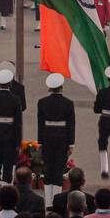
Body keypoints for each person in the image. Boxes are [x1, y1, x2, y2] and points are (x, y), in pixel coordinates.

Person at [36, 73, 75, 206]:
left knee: (48, 169)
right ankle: (56, 200)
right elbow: (71, 125)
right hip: (62, 138)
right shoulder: (68, 103)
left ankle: (48, 202)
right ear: (61, 87)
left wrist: (39, 142)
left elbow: (40, 124)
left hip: (47, 137)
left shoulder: (42, 102)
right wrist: (71, 143)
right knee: (59, 169)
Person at [0, 70, 23, 195]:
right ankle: (7, 194)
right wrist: (18, 142)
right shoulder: (15, 100)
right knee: (8, 165)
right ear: (10, 84)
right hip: (10, 136)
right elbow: (18, 123)